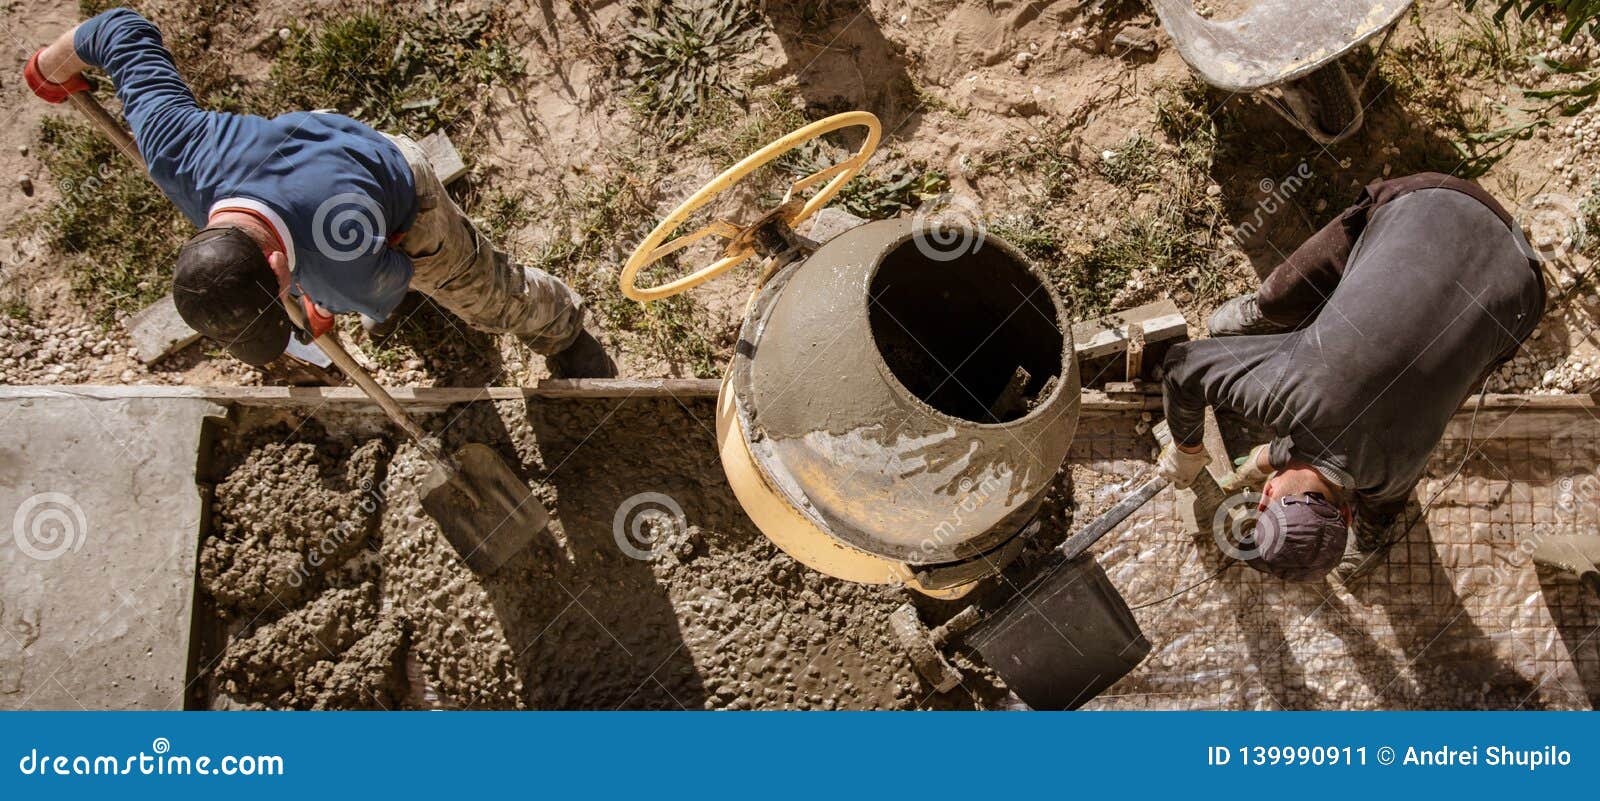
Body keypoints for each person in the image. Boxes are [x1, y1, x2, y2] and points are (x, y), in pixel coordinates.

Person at [25, 7, 615, 378]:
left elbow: (388, 280)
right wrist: (50, 66)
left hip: (407, 199)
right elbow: (119, 30)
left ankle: (561, 327)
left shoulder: (344, 271)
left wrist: (321, 298)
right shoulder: (175, 148)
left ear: (282, 265)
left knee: (488, 296)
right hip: (327, 142)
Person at [1155, 173, 1545, 584]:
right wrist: (1195, 449)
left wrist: (1215, 453)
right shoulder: (1291, 383)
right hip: (1432, 203)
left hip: (1520, 283)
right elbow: (1182, 366)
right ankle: (1262, 312)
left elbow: (1369, 490)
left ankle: (1266, 312)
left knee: (1451, 377)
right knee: (1276, 305)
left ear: (1345, 512)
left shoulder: (1396, 468)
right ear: (1266, 495)